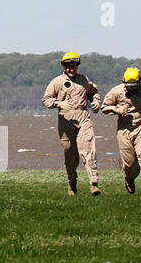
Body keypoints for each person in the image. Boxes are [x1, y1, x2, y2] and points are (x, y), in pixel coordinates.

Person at [42, 52, 101, 195]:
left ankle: (93, 183)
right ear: (64, 66)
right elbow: (46, 100)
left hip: (83, 118)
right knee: (70, 154)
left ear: (77, 66)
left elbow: (93, 92)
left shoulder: (84, 80)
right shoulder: (56, 82)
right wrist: (59, 103)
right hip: (65, 120)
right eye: (68, 67)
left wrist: (96, 101)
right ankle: (72, 182)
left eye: (73, 66)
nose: (71, 69)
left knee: (88, 150)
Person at [101, 67, 141, 195]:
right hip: (124, 130)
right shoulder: (116, 91)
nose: (131, 89)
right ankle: (129, 178)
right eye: (129, 86)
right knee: (130, 164)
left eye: (134, 86)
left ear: (139, 82)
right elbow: (104, 107)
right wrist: (117, 110)